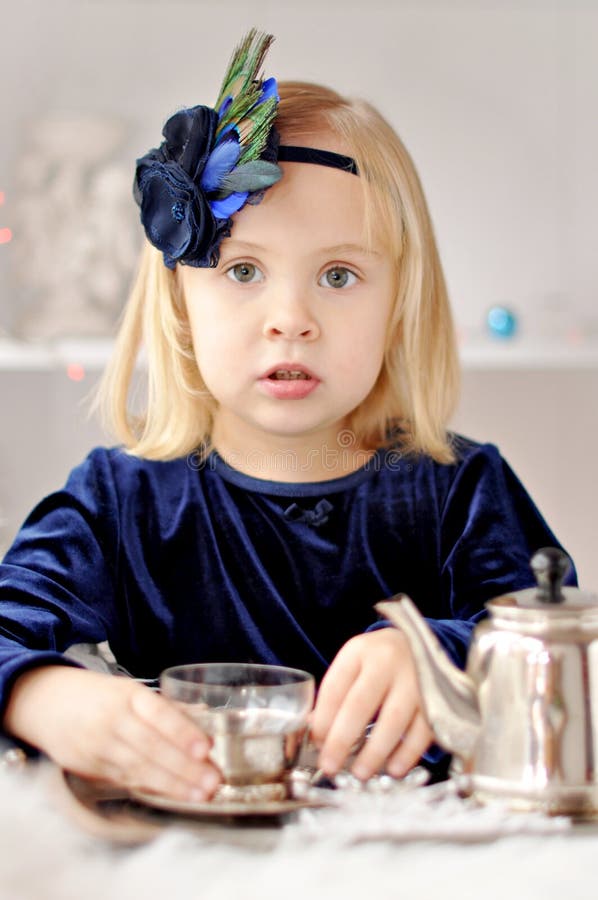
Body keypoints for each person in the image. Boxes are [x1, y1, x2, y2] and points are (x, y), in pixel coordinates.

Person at [0, 30, 575, 802]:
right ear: (180, 305)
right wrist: (43, 696)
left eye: (339, 274)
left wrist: (440, 654)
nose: (291, 319)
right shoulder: (120, 503)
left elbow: (558, 645)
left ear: (398, 305)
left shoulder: (460, 491)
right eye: (243, 270)